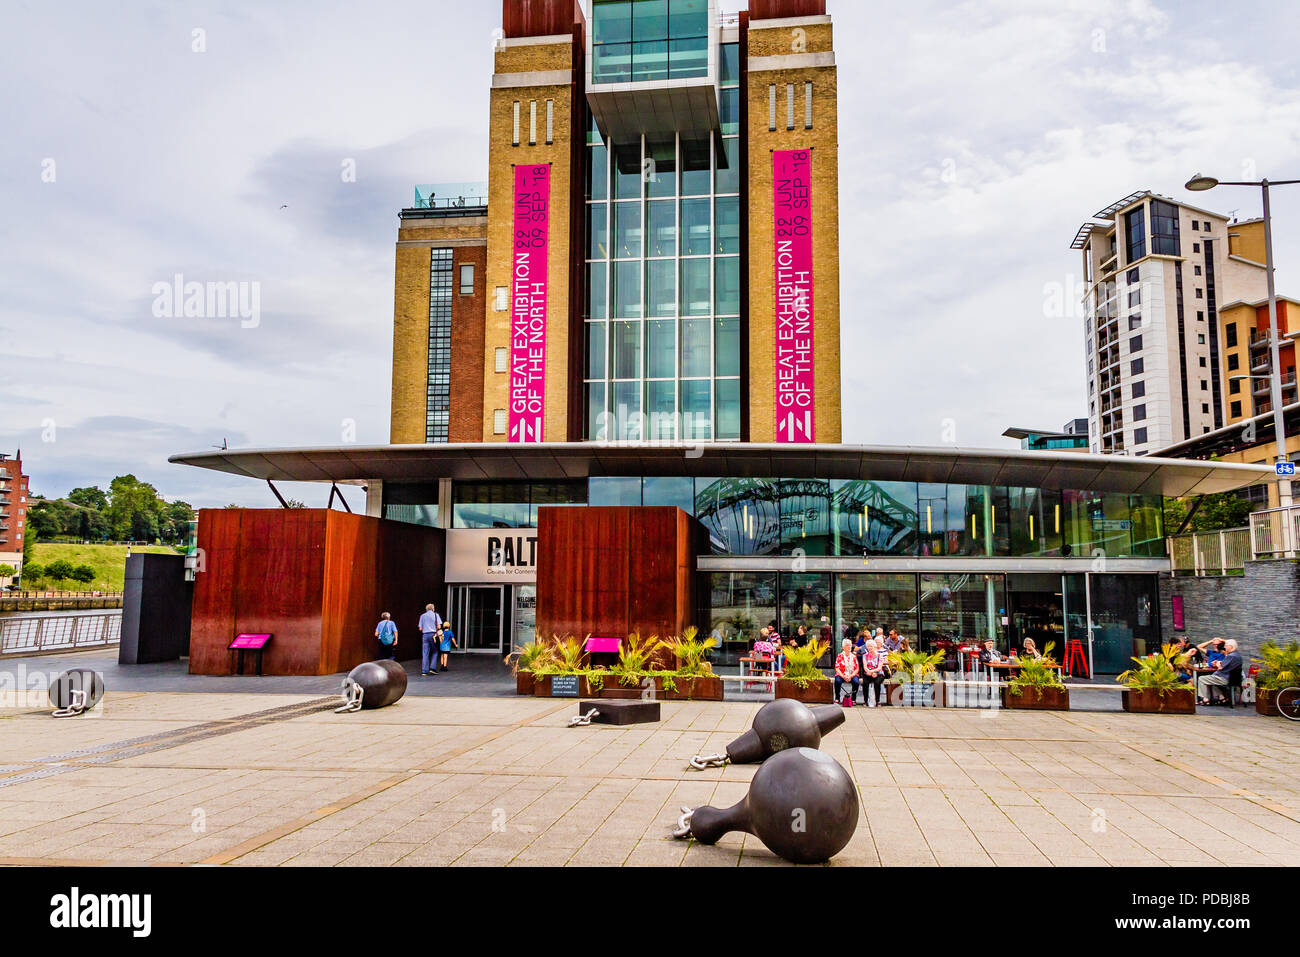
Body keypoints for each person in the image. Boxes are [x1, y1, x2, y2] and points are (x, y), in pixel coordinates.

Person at [1200, 639, 1243, 706]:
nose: (1224, 647)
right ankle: (1222, 698)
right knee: (1212, 679)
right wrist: (1219, 662)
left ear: (1231, 647)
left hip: (1225, 678)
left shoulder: (1231, 656)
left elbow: (1220, 667)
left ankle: (1205, 699)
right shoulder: (1237, 655)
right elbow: (1227, 664)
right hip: (1234, 679)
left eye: (1226, 646)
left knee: (1201, 679)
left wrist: (1216, 663)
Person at [860, 638, 887, 707]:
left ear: (874, 647)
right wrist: (869, 672)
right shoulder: (865, 656)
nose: (869, 648)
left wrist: (873, 672)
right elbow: (865, 666)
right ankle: (865, 701)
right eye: (868, 646)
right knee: (865, 683)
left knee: (877, 683)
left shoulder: (879, 655)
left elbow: (879, 667)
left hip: (878, 673)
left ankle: (877, 701)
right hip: (868, 673)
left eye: (871, 646)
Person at [418, 603, 443, 676]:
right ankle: (432, 668)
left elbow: (420, 628)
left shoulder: (422, 616)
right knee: (435, 651)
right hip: (433, 635)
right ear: (433, 608)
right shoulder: (436, 615)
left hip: (425, 635)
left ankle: (424, 671)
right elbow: (439, 626)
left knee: (425, 653)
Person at [834, 639, 860, 707]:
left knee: (856, 682)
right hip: (842, 674)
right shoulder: (840, 656)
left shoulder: (854, 656)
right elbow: (837, 668)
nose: (849, 647)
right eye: (847, 645)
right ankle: (837, 698)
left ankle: (853, 699)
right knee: (837, 681)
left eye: (850, 646)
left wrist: (850, 676)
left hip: (852, 674)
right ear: (843, 647)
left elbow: (857, 669)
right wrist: (843, 676)